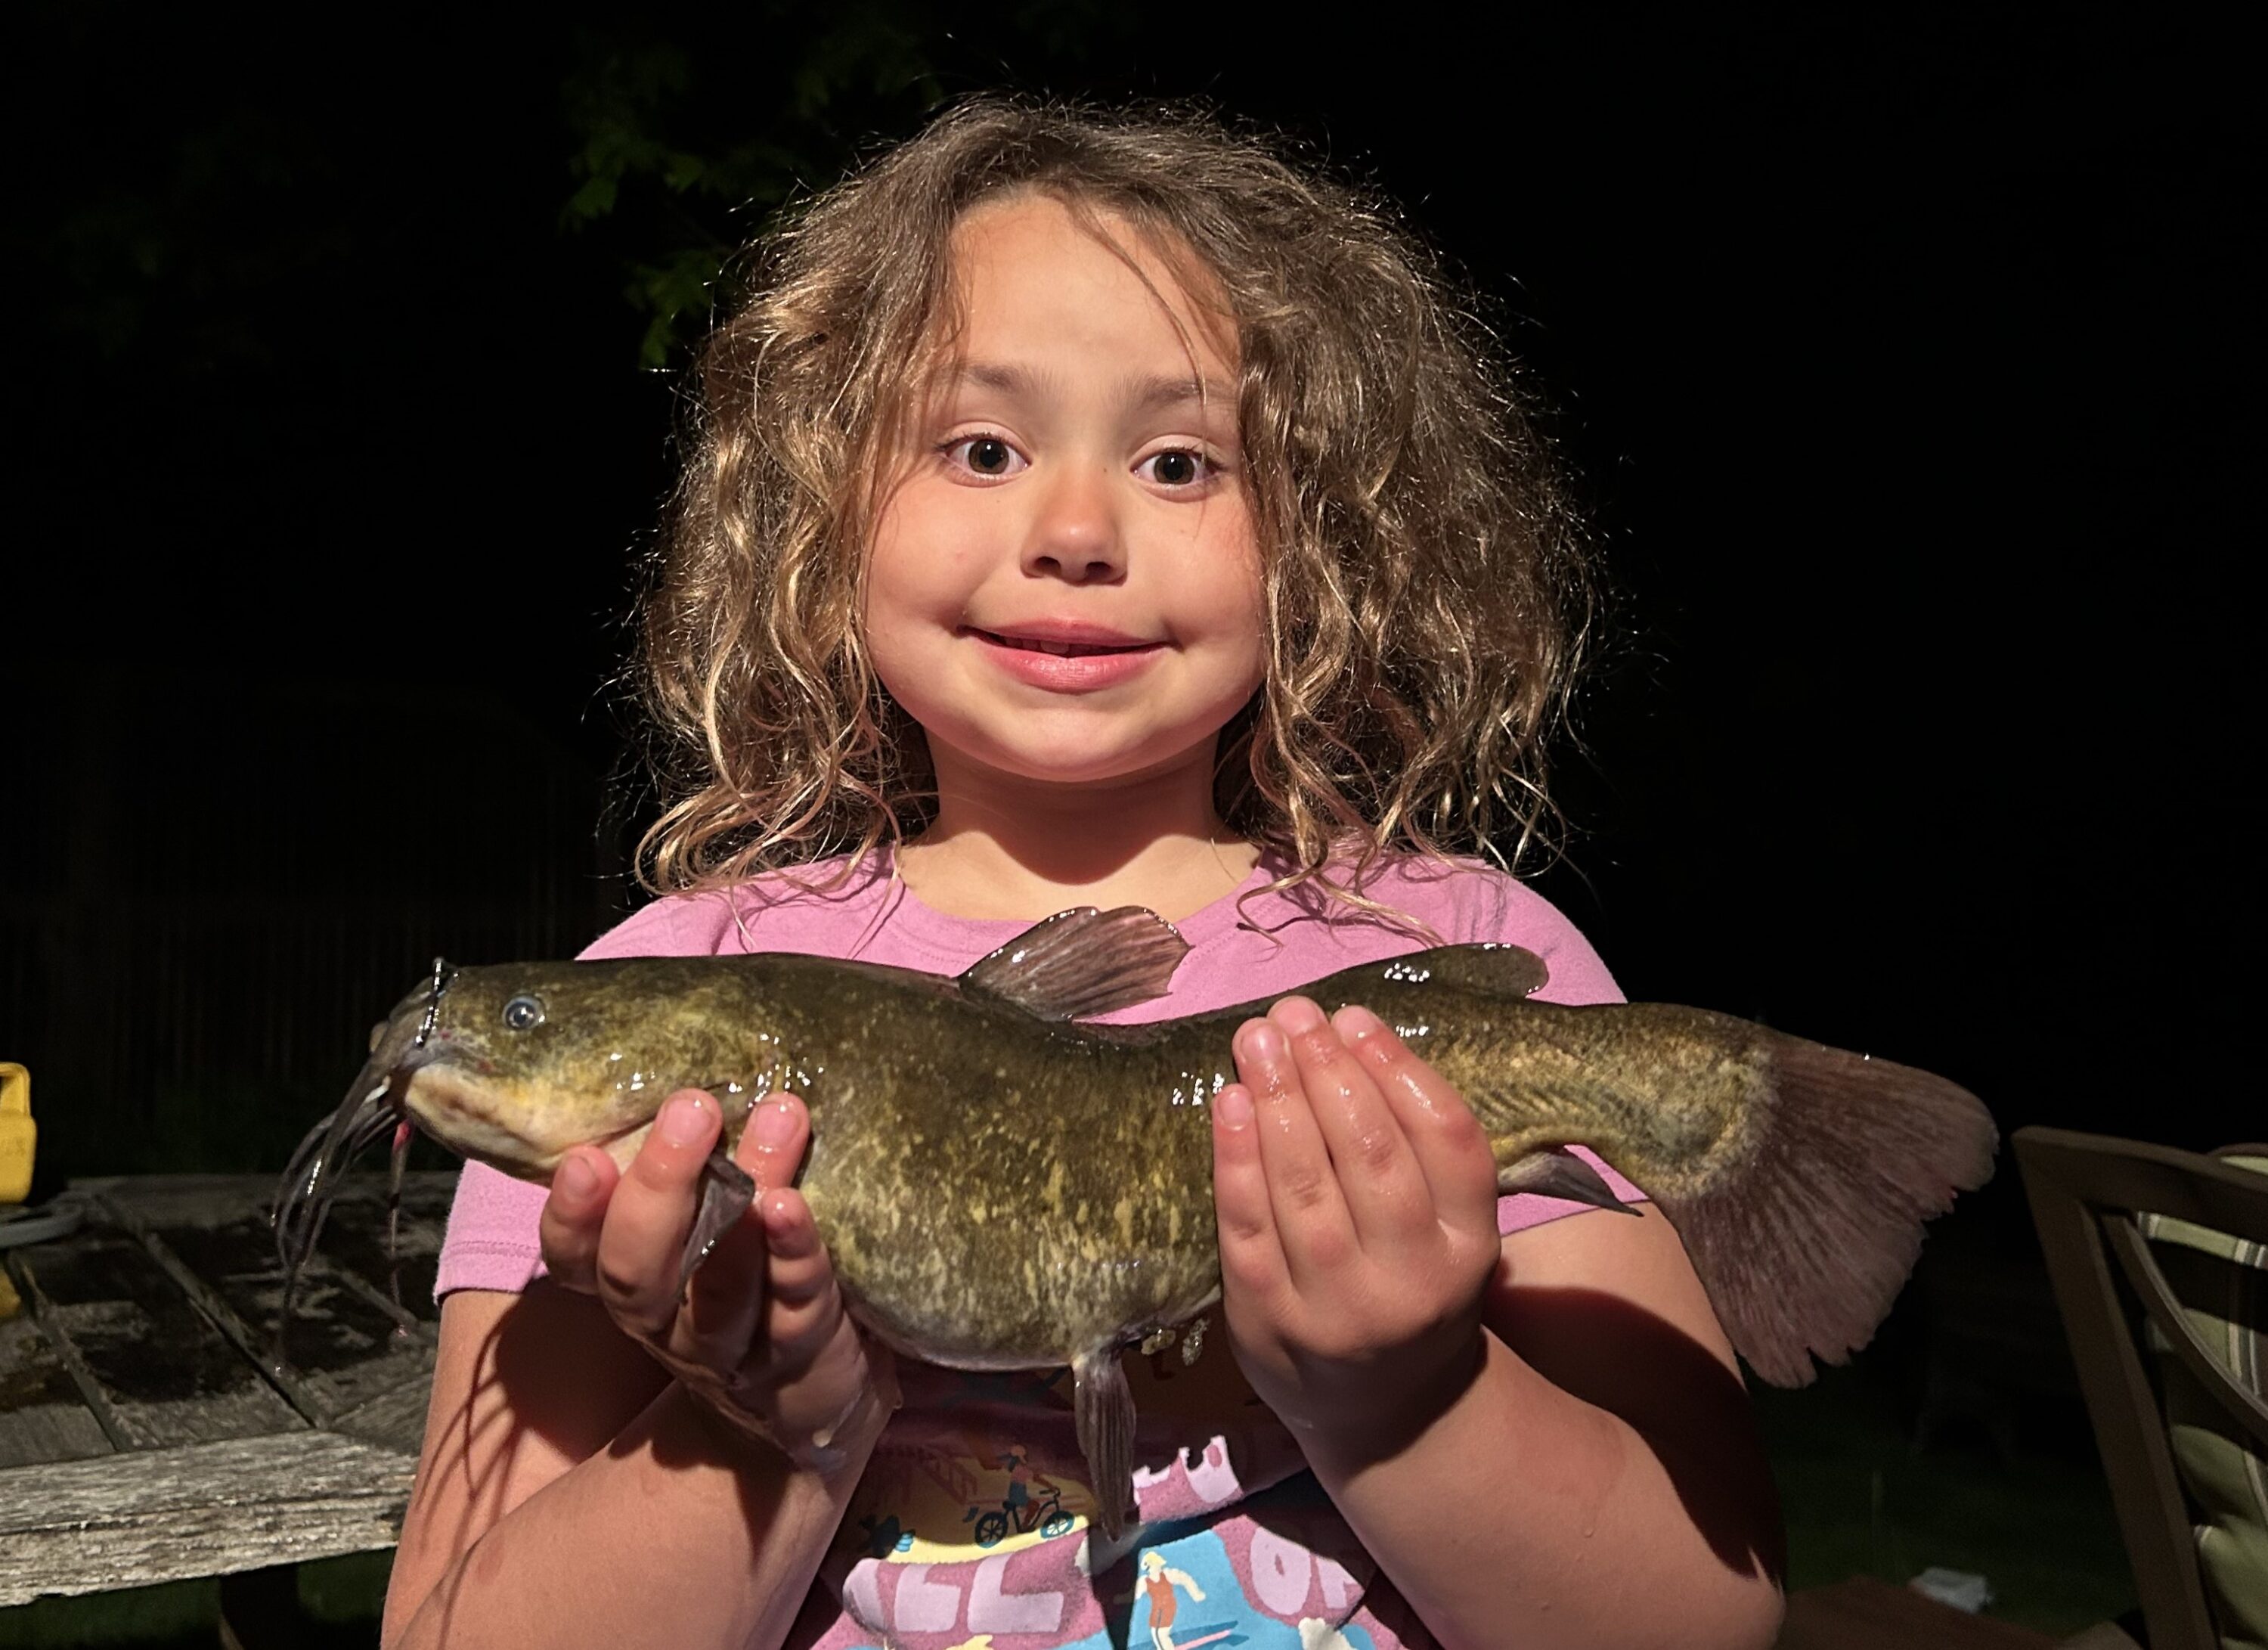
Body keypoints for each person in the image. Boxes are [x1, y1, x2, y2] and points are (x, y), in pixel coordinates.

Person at [380, 98, 1786, 1650]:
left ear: (1319, 542)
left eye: (1181, 461)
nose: (1073, 529)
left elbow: (1703, 1617)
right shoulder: (669, 969)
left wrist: (1405, 1394)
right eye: (982, 445)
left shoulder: (1456, 944)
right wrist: (768, 1416)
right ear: (828, 504)